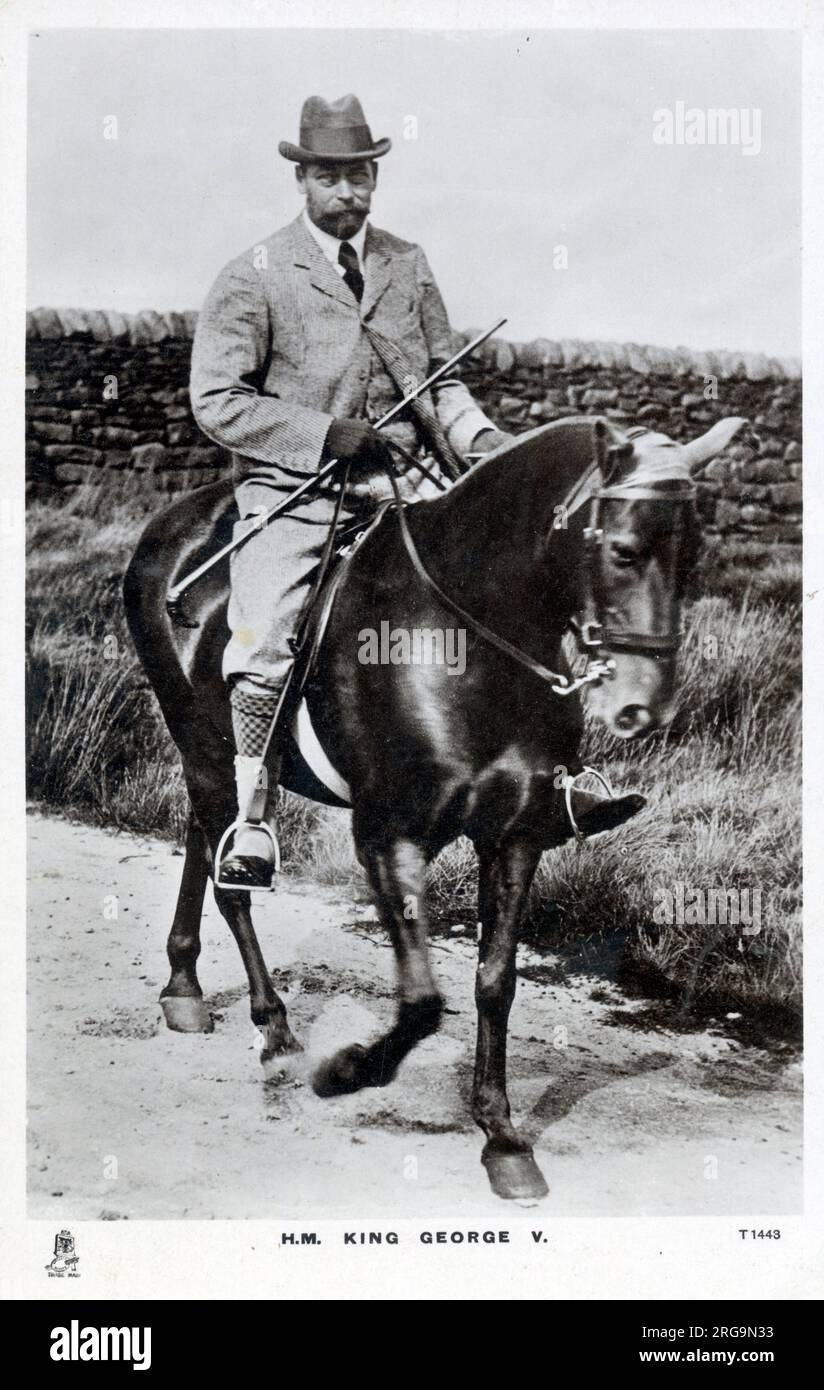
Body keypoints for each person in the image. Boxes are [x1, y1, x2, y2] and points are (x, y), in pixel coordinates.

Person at [190, 94, 511, 888]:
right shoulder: (254, 274)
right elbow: (218, 400)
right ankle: (252, 818)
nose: (347, 192)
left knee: (516, 585)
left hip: (408, 483)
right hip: (300, 491)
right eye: (329, 176)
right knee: (263, 631)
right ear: (301, 179)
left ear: (375, 176)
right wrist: (321, 436)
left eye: (360, 174)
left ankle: (543, 783)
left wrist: (484, 443)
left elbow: (445, 385)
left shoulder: (407, 261)